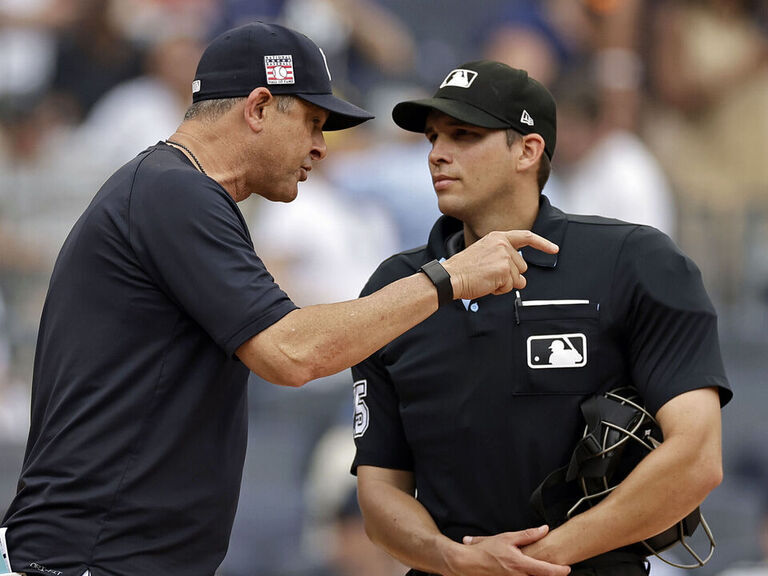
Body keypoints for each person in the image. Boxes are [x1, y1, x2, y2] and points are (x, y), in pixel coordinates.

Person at [0, 26, 560, 576]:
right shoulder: (174, 191)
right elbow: (292, 353)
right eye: (314, 122)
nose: (322, 145)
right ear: (260, 107)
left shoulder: (173, 189)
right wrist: (448, 277)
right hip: (92, 554)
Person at [351, 60, 733, 576]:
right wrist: (461, 561)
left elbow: (697, 458)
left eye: (464, 135)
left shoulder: (634, 261)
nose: (438, 153)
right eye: (433, 137)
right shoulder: (396, 289)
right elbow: (379, 493)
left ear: (528, 150)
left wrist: (537, 561)